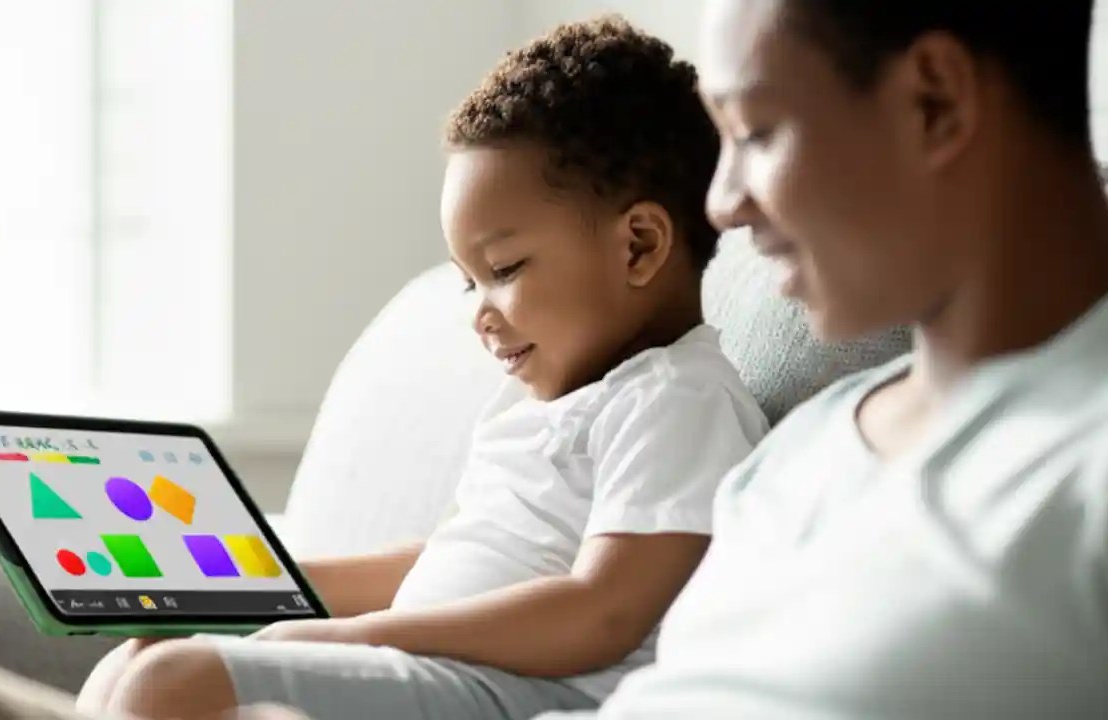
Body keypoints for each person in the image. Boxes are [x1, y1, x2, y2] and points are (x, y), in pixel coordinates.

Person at [72, 16, 767, 720]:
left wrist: (357, 638)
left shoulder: (679, 398)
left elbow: (601, 612)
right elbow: (446, 560)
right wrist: (244, 591)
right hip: (439, 673)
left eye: (503, 269)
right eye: (469, 282)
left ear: (639, 247)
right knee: (132, 666)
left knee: (173, 684)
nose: (479, 312)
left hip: (519, 696)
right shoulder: (532, 407)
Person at [551, 1, 1108, 717]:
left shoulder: (1082, 472)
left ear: (934, 102)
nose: (722, 203)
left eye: (754, 131)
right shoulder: (791, 456)